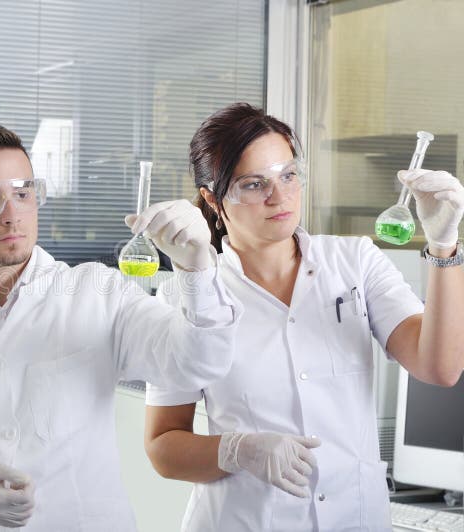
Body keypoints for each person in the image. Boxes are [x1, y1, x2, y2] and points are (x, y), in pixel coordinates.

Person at [0, 120, 242, 531]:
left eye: (23, 194)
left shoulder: (99, 294)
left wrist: (196, 270)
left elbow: (198, 363)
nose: (12, 215)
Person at [144, 102, 464, 531]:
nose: (280, 197)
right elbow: (163, 446)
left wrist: (444, 246)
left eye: (288, 175)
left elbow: (440, 367)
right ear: (212, 197)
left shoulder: (355, 261)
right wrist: (239, 451)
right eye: (255, 184)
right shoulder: (189, 294)